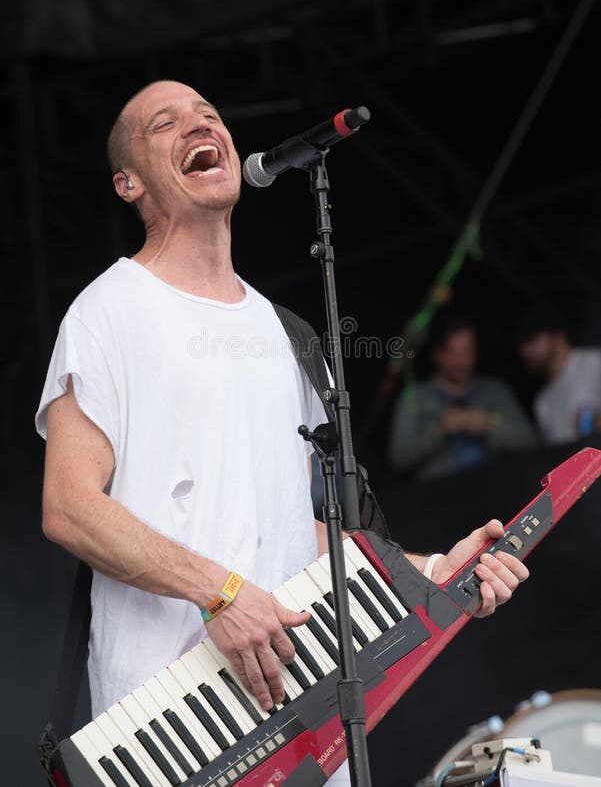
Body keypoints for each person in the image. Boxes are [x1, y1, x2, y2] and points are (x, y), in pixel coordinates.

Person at [36, 81, 529, 785]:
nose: (199, 126)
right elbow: (70, 507)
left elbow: (301, 529)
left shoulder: (285, 333)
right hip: (169, 719)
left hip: (299, 700)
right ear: (128, 182)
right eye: (165, 124)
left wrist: (430, 572)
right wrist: (221, 593)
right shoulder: (107, 312)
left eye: (210, 115)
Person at [388, 312, 536, 480]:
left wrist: (489, 424)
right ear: (437, 354)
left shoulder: (494, 390)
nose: (463, 361)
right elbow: (399, 458)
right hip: (440, 490)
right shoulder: (415, 398)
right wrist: (439, 431)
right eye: (454, 353)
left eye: (468, 351)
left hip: (496, 483)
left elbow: (530, 440)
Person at [517, 308, 601, 444]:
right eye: (522, 344)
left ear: (558, 338)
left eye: (531, 340)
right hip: (578, 456)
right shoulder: (543, 401)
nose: (525, 351)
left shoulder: (594, 362)